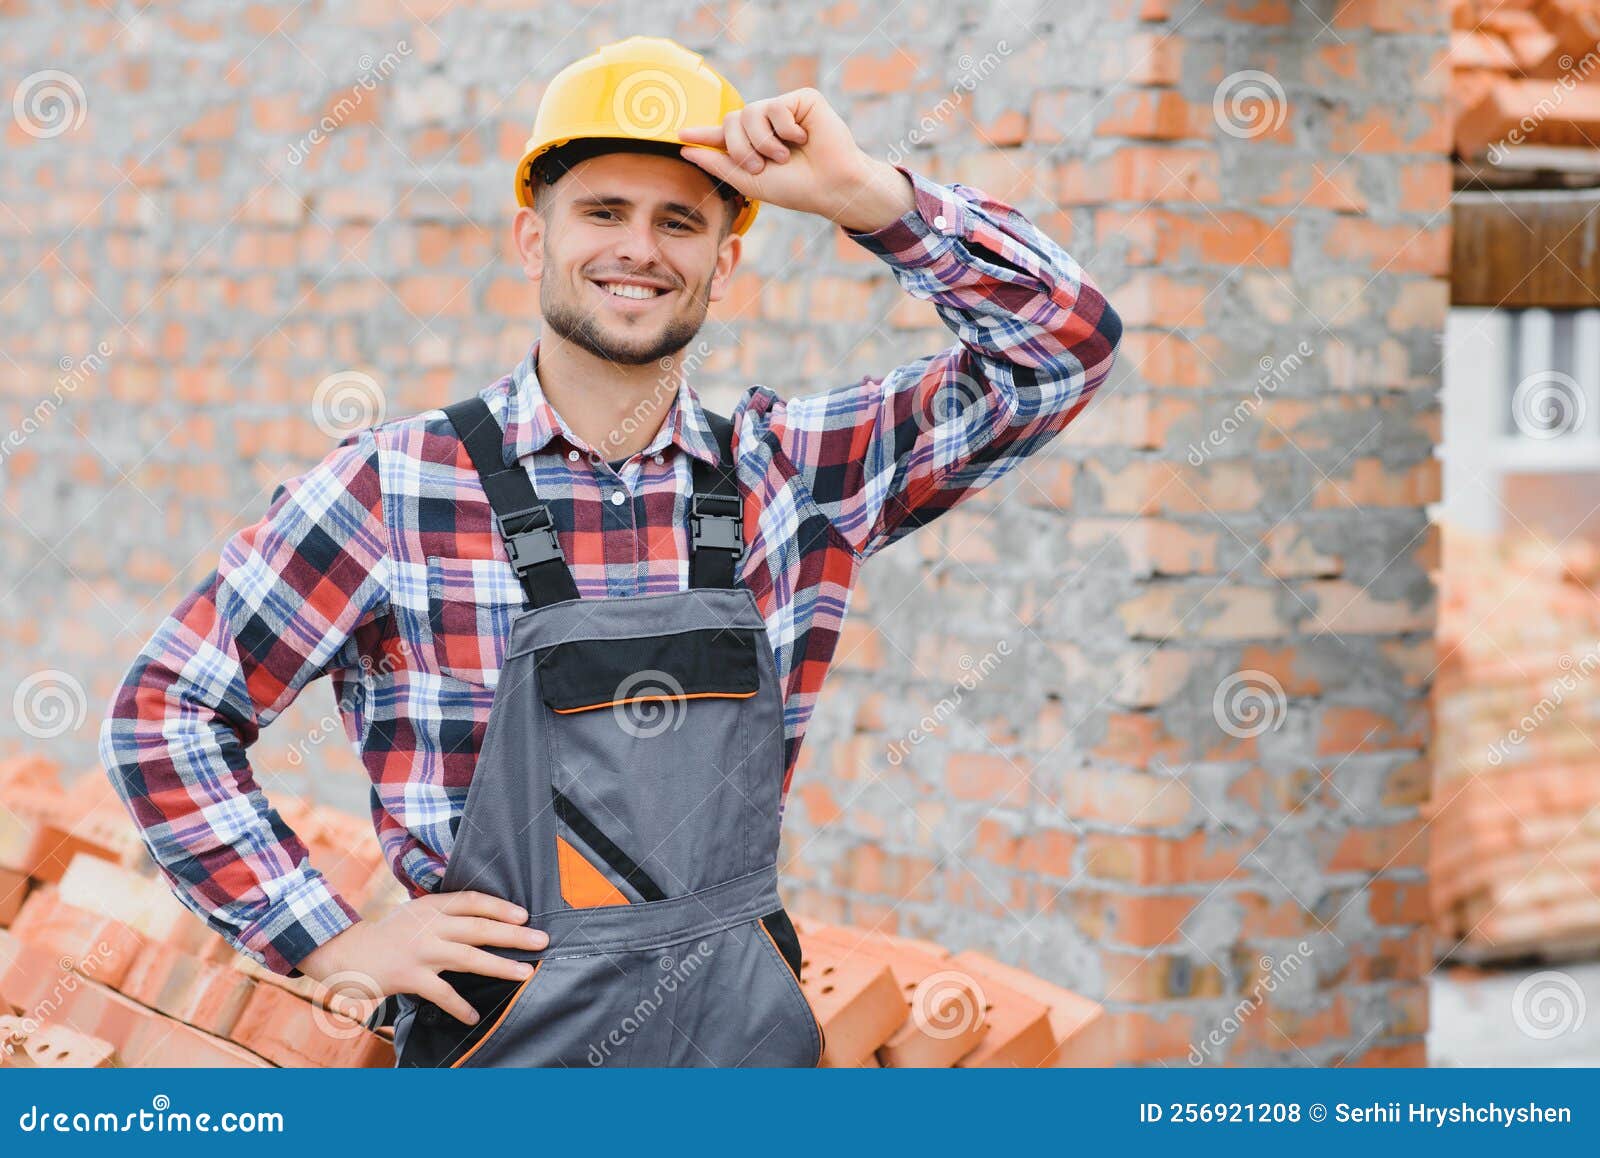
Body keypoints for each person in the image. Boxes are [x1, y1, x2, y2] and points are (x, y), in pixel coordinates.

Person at [99, 35, 1122, 1067]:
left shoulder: (793, 479)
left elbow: (1062, 344)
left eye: (678, 222)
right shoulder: (396, 487)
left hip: (740, 1052)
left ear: (722, 264)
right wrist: (328, 940)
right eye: (602, 212)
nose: (639, 248)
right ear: (530, 238)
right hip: (503, 1060)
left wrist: (866, 195)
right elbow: (166, 712)